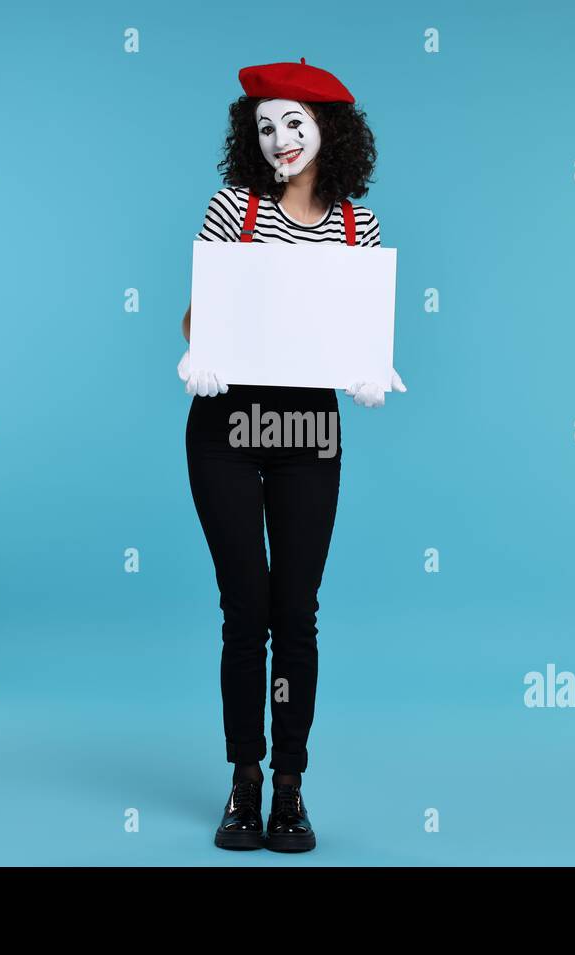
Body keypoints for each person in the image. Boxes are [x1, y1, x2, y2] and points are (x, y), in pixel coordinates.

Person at [177, 58, 405, 852]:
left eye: (293, 124)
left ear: (329, 131)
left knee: (295, 615)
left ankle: (289, 789)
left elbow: (358, 334)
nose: (279, 140)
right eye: (265, 125)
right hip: (226, 433)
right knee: (245, 615)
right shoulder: (232, 210)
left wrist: (373, 365)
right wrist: (198, 347)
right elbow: (193, 319)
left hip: (308, 436)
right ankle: (243, 781)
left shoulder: (357, 227)